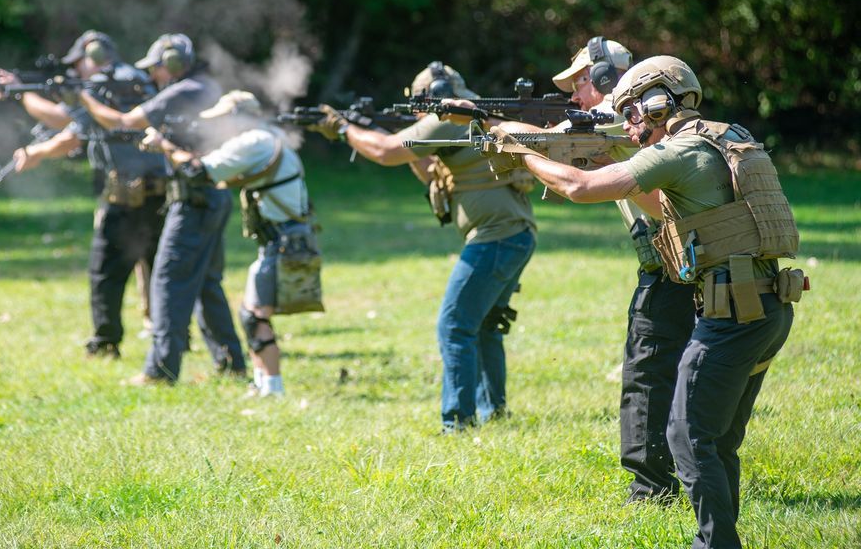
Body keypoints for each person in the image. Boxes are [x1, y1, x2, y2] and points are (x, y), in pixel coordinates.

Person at [467, 56, 801, 548]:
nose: (628, 123)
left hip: (731, 311)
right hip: (769, 304)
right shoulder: (724, 135)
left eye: (633, 112)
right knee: (718, 440)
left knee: (688, 439)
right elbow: (674, 210)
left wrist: (522, 154)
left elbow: (577, 188)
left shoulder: (677, 150)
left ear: (659, 101)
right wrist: (614, 164)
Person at [310, 62, 537, 431]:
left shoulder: (451, 115)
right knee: (483, 326)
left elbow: (385, 152)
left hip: (496, 237)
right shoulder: (473, 110)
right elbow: (431, 168)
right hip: (514, 235)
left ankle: (457, 422)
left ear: (434, 95)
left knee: (454, 326)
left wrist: (343, 128)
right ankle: (490, 411)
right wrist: (396, 138)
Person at [552, 38, 697, 503]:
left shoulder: (635, 130)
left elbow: (665, 207)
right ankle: (681, 474)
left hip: (676, 270)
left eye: (579, 83)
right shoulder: (640, 129)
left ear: (603, 80)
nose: (575, 96)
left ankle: (652, 489)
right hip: (689, 266)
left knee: (649, 373)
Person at [79, 33, 246, 384]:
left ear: (170, 64)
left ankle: (160, 371)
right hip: (212, 195)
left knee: (168, 281)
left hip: (193, 198)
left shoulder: (183, 90)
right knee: (206, 283)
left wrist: (83, 97)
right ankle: (231, 362)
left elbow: (123, 122)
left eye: (155, 68)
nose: (153, 77)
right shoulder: (204, 86)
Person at [0, 30, 166, 359]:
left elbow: (68, 127)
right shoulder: (134, 80)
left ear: (95, 56)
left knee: (106, 272)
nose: (76, 72)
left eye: (79, 64)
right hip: (161, 193)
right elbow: (73, 121)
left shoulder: (104, 87)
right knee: (163, 269)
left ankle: (106, 342)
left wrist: (35, 142)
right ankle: (173, 338)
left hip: (127, 197)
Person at [144, 90, 319, 397]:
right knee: (250, 313)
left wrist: (164, 146)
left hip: (282, 240)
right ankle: (262, 384)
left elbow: (198, 173)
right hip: (285, 238)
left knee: (255, 316)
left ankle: (272, 389)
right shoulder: (269, 136)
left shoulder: (253, 142)